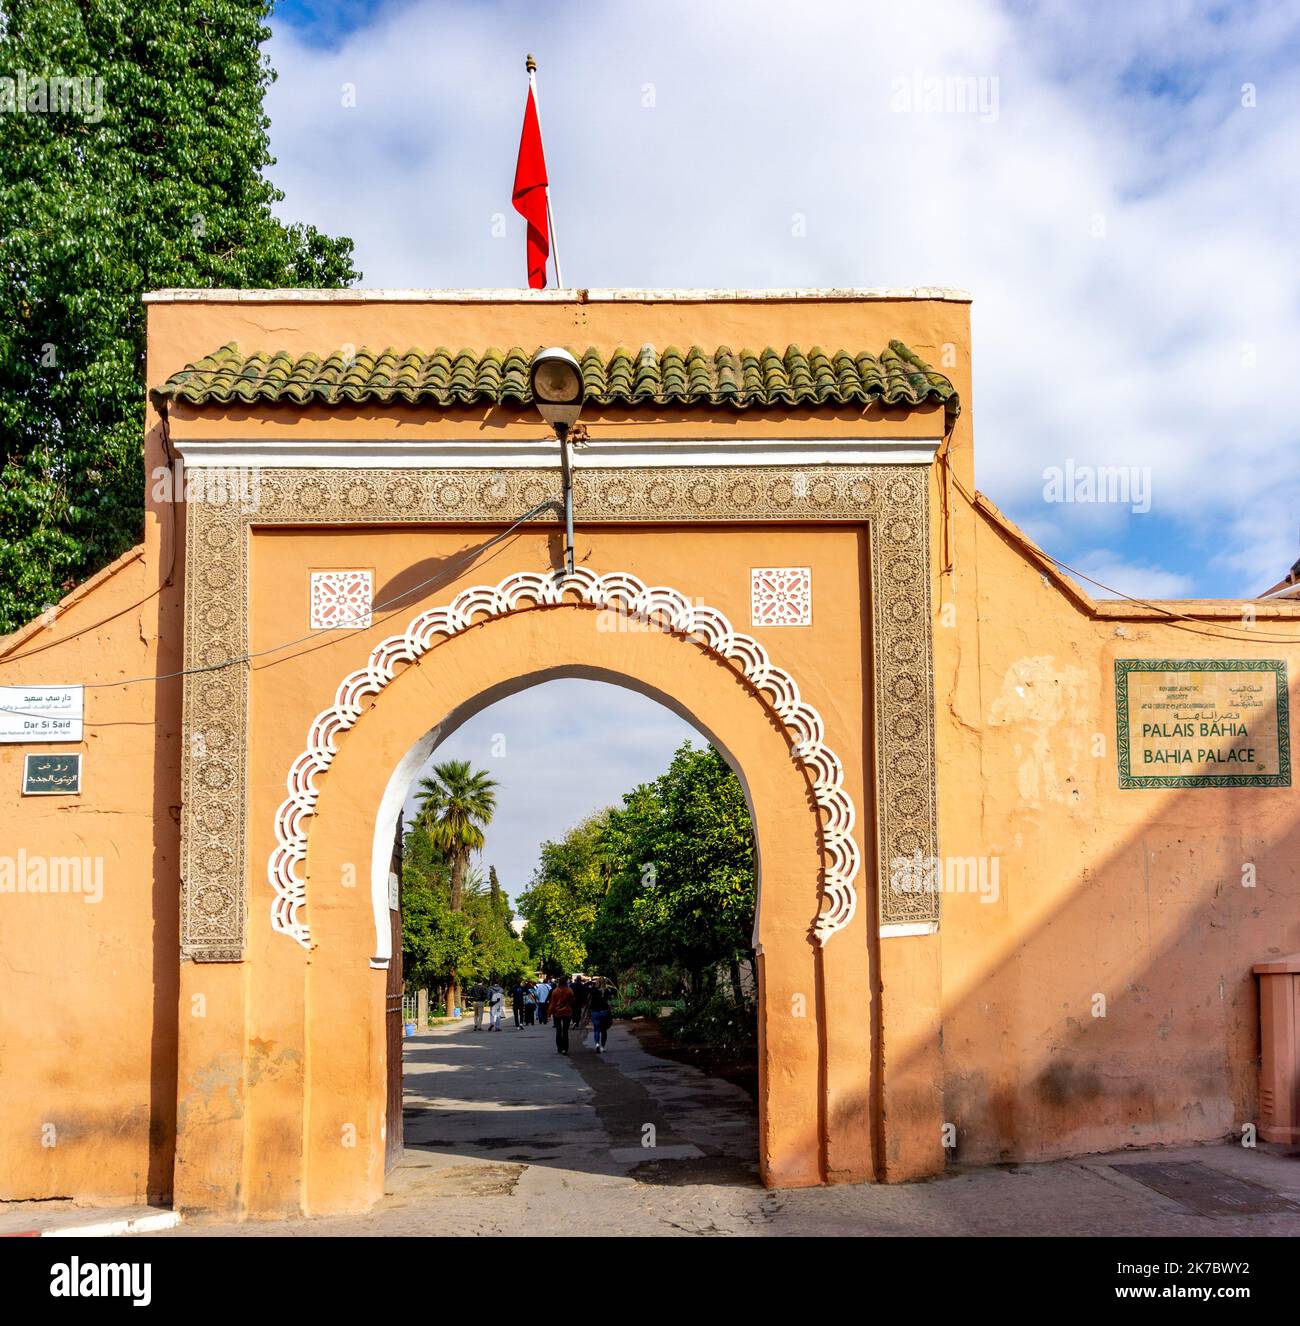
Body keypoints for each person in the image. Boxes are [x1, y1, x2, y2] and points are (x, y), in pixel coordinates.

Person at [549, 977, 575, 1054]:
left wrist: (549, 1013)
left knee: (558, 1030)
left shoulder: (555, 991)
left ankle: (559, 1048)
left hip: (557, 1013)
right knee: (565, 1031)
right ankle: (565, 1048)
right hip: (567, 1012)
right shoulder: (569, 990)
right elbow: (573, 1000)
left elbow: (552, 1003)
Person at [588, 979, 613, 1054]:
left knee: (596, 1030)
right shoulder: (607, 991)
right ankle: (602, 1047)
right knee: (604, 1030)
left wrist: (591, 983)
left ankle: (597, 1045)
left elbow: (586, 987)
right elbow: (610, 998)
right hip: (605, 1011)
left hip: (595, 1012)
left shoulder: (593, 991)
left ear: (597, 983)